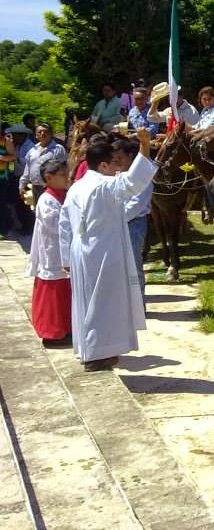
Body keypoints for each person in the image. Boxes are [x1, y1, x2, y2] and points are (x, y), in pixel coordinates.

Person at [60, 127, 157, 371]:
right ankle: (96, 354)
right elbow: (135, 181)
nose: (117, 168)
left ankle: (91, 349)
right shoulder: (104, 185)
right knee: (101, 302)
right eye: (114, 164)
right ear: (103, 165)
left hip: (79, 249)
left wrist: (65, 257)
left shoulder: (75, 188)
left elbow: (64, 224)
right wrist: (145, 144)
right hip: (102, 250)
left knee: (85, 299)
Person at [26, 158, 72, 346]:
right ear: (49, 178)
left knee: (65, 295)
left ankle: (65, 329)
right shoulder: (46, 199)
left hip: (63, 252)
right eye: (62, 175)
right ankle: (51, 333)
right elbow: (55, 225)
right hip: (52, 253)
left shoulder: (62, 195)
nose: (66, 178)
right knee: (53, 296)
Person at [112, 137, 152, 301]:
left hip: (134, 224)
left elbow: (135, 206)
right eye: (114, 159)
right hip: (115, 223)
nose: (117, 162)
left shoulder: (141, 176)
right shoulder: (116, 175)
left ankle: (138, 304)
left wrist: (113, 217)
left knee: (133, 266)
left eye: (120, 158)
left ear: (130, 156)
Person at [20, 123, 68, 206]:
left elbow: (64, 168)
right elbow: (27, 170)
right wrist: (22, 185)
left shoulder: (58, 149)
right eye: (39, 132)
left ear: (51, 134)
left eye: (45, 131)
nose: (42, 134)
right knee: (38, 211)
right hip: (35, 187)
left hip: (52, 187)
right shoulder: (32, 151)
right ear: (36, 135)